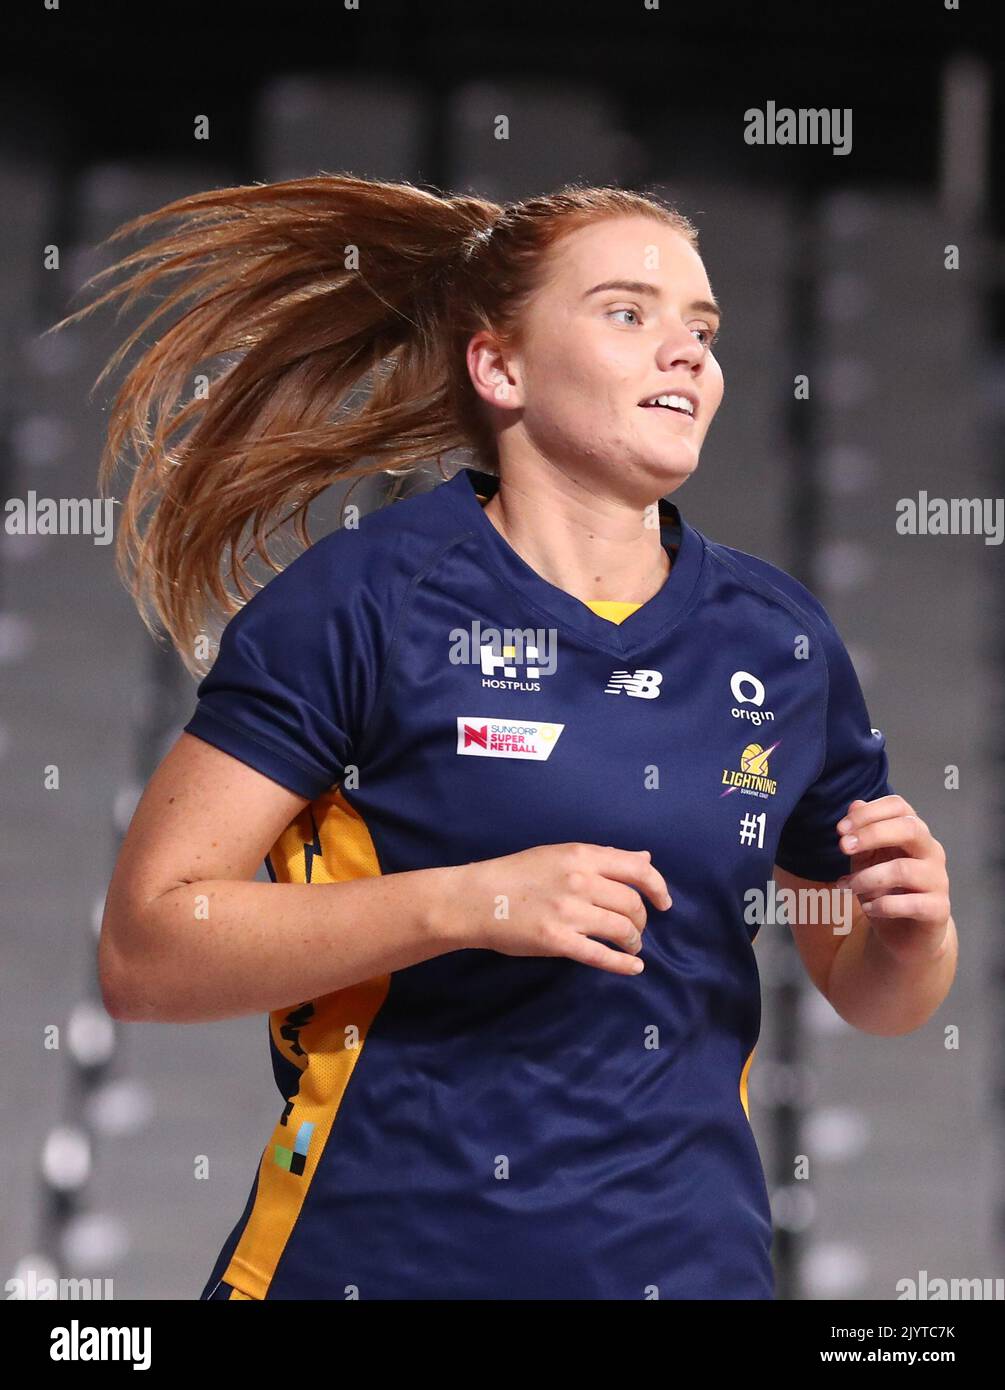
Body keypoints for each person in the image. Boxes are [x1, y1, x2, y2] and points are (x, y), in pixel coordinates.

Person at [53, 175, 956, 1300]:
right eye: (630, 313)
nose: (686, 352)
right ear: (500, 368)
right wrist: (470, 902)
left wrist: (909, 941)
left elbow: (869, 988)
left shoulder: (778, 638)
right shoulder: (365, 602)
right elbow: (145, 950)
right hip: (379, 1265)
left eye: (703, 329)